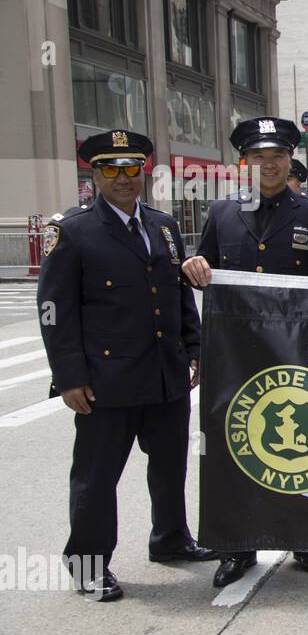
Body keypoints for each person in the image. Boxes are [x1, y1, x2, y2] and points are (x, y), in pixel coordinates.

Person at [37, 129, 216, 602]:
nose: (123, 179)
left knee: (170, 467)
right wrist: (69, 377)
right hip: (106, 382)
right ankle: (88, 565)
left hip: (164, 375)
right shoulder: (72, 231)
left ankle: (171, 539)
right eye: (112, 170)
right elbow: (55, 311)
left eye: (132, 169)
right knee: (97, 478)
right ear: (94, 174)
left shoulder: (162, 226)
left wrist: (193, 349)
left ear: (143, 173)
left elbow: (178, 296)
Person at [182, 116, 308, 588]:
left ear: (290, 160)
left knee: (304, 446)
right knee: (231, 448)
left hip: (294, 351)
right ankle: (236, 546)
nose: (269, 165)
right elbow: (201, 268)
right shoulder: (223, 212)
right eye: (259, 158)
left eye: (278, 157)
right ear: (244, 162)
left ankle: (304, 538)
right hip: (235, 354)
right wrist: (194, 265)